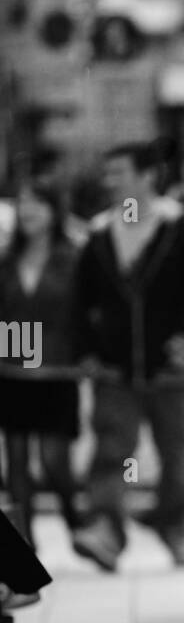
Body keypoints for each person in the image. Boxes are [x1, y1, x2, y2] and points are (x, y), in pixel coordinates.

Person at [70, 143, 184, 571]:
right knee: (114, 452)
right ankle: (108, 532)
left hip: (172, 369)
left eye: (120, 172)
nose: (110, 181)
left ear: (149, 176)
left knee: (176, 455)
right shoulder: (99, 233)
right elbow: (80, 302)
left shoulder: (178, 227)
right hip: (115, 367)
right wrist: (87, 351)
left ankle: (177, 527)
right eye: (108, 173)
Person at [0, 183, 82, 546]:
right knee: (16, 459)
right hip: (12, 367)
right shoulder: (6, 260)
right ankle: (25, 542)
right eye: (23, 205)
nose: (29, 212)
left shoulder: (73, 256)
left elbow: (87, 312)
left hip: (58, 369)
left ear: (54, 211)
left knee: (54, 458)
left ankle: (73, 516)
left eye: (37, 205)